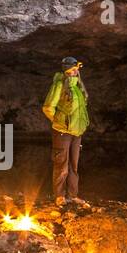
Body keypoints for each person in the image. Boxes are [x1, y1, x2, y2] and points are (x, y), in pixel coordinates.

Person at [42, 56, 89, 205]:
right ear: (67, 70)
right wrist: (59, 121)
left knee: (73, 166)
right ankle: (60, 196)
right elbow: (48, 107)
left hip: (76, 132)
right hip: (62, 132)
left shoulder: (77, 86)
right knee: (61, 164)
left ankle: (73, 195)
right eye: (73, 69)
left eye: (77, 69)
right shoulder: (59, 84)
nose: (76, 71)